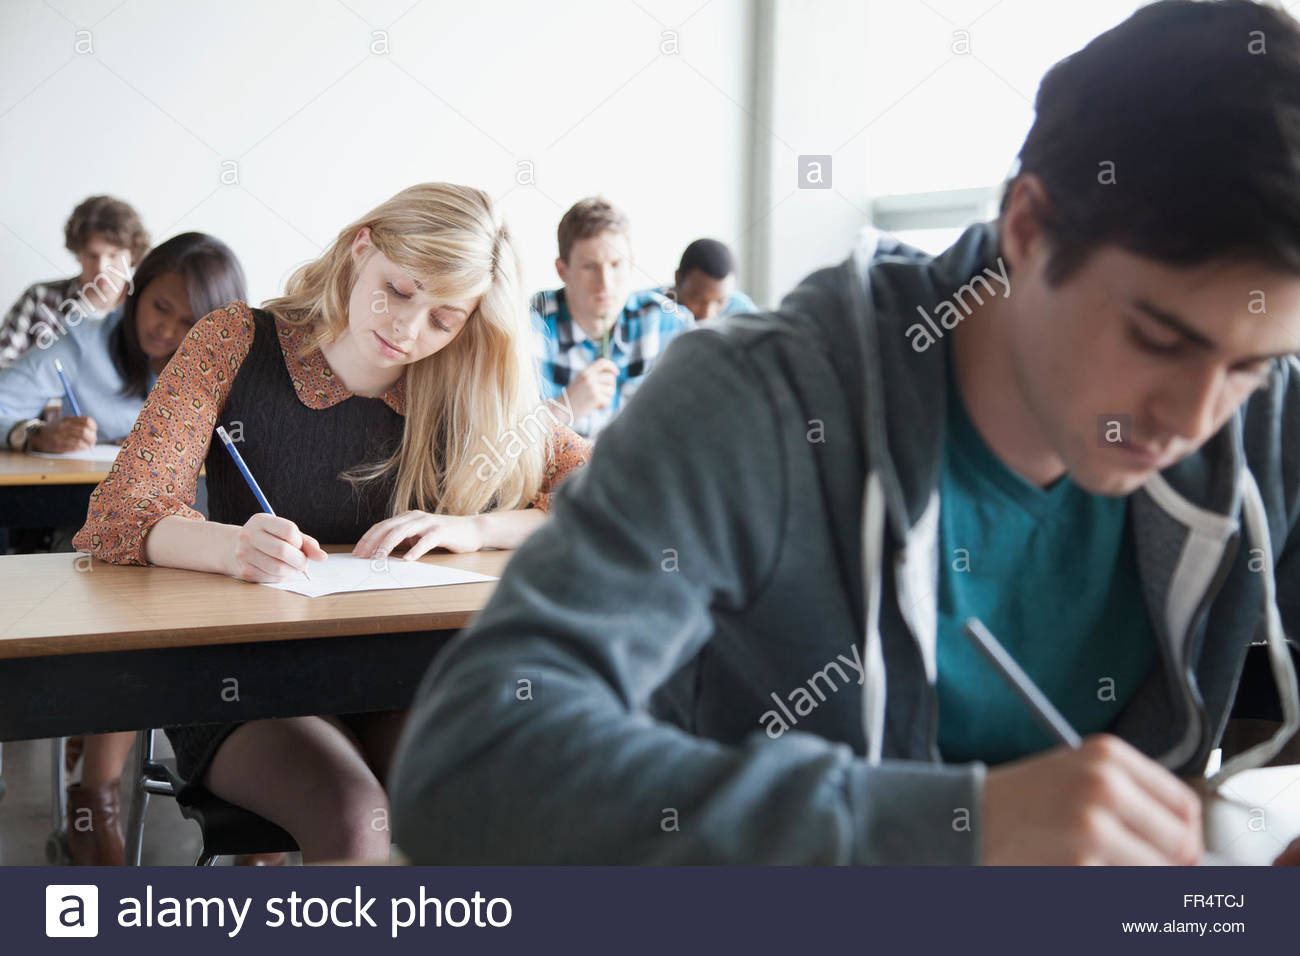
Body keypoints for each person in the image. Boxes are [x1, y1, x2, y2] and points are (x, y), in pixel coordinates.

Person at [390, 0, 1300, 865]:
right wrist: (957, 831)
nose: (1194, 419)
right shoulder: (758, 401)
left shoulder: (1264, 420)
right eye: (1156, 339)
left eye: (1252, 365)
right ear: (1027, 227)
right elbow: (471, 769)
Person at [74, 183, 590, 863]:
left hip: (397, 669)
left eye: (444, 317)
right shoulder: (235, 339)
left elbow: (610, 500)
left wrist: (477, 529)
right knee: (355, 821)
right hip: (245, 677)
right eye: (400, 290)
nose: (409, 329)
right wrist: (229, 546)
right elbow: (119, 514)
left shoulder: (462, 378)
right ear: (361, 247)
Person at [1, 231, 246, 865]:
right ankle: (97, 796)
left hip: (206, 543)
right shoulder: (80, 343)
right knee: (130, 598)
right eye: (159, 307)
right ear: (136, 291)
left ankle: (256, 820)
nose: (166, 331)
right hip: (95, 539)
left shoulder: (238, 361)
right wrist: (35, 432)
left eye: (189, 320)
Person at [531, 197, 694, 438]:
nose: (604, 283)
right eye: (590, 266)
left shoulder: (669, 323)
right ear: (562, 270)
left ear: (631, 265)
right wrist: (565, 407)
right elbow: (501, 442)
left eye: (616, 264)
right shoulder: (531, 327)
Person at [0, 195, 149, 370]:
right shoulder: (40, 298)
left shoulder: (146, 306)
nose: (101, 267)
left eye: (113, 255)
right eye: (92, 255)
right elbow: (4, 365)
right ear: (78, 253)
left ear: (132, 255)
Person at [657, 238, 757, 321]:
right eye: (698, 300)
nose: (707, 315)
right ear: (678, 279)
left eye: (720, 301)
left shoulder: (742, 309)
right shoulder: (645, 312)